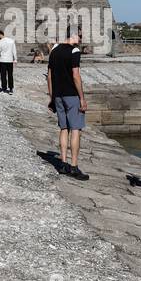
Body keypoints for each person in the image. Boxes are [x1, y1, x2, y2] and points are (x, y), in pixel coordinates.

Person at [46, 31, 88, 180]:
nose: (81, 39)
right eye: (80, 36)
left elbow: (50, 76)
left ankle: (63, 164)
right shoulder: (74, 51)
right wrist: (82, 98)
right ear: (74, 34)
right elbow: (76, 75)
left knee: (64, 129)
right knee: (75, 129)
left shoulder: (54, 50)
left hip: (58, 95)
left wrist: (51, 97)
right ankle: (74, 167)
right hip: (71, 95)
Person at [0, 29, 17, 93]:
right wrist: (15, 59)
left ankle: (4, 88)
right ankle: (11, 88)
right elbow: (14, 51)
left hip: (3, 60)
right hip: (10, 60)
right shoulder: (11, 41)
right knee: (10, 75)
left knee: (3, 75)